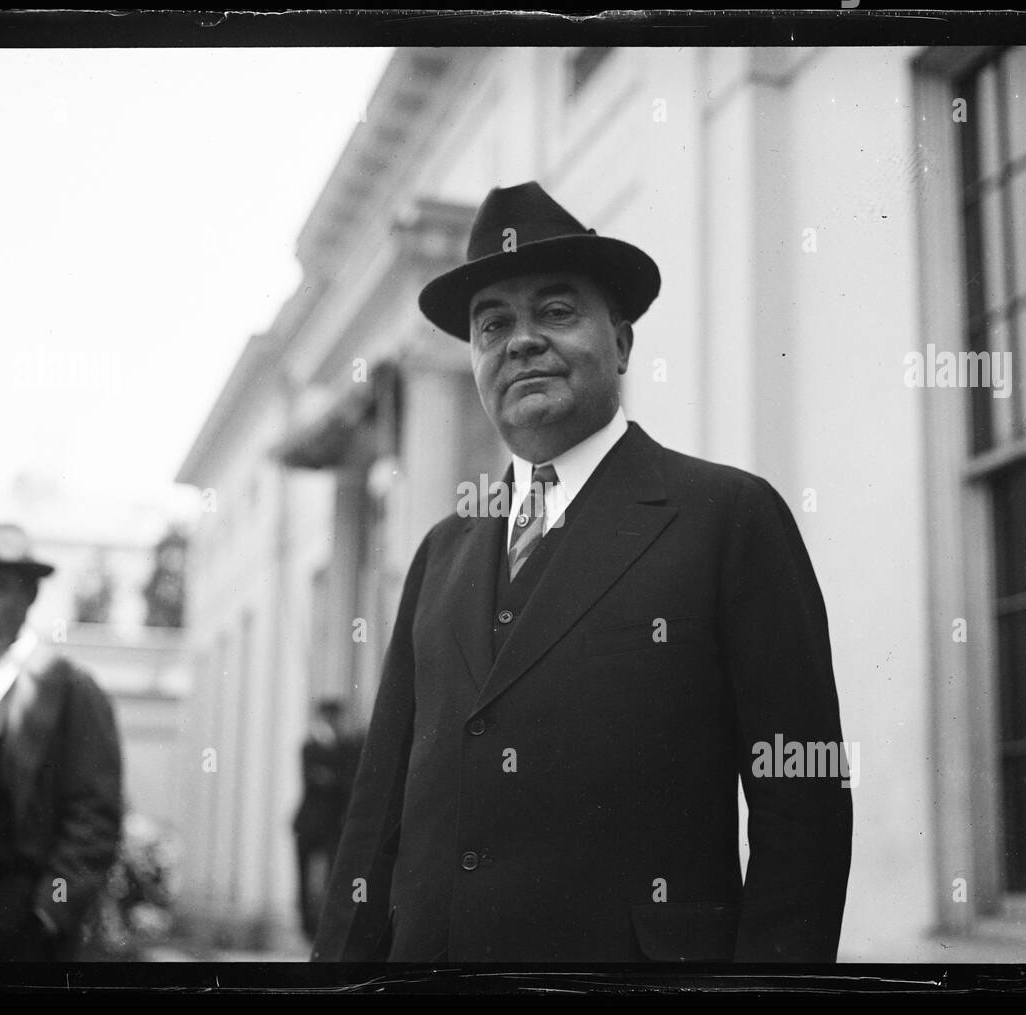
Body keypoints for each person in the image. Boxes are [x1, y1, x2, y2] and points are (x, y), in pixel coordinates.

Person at [312, 182, 852, 963]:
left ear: (623, 343)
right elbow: (375, 820)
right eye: (493, 324)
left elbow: (801, 808)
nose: (521, 340)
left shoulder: (726, 517)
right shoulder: (440, 553)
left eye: (556, 312)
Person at [0, 524, 123, 962]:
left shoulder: (66, 689)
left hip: (20, 935)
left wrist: (50, 911)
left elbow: (95, 815)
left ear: (29, 595)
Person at [292, 699, 363, 940]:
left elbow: (344, 780)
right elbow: (317, 778)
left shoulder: (348, 748)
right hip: (311, 824)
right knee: (306, 878)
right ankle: (309, 929)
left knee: (332, 877)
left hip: (334, 825)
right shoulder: (311, 747)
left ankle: (325, 928)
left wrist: (331, 776)